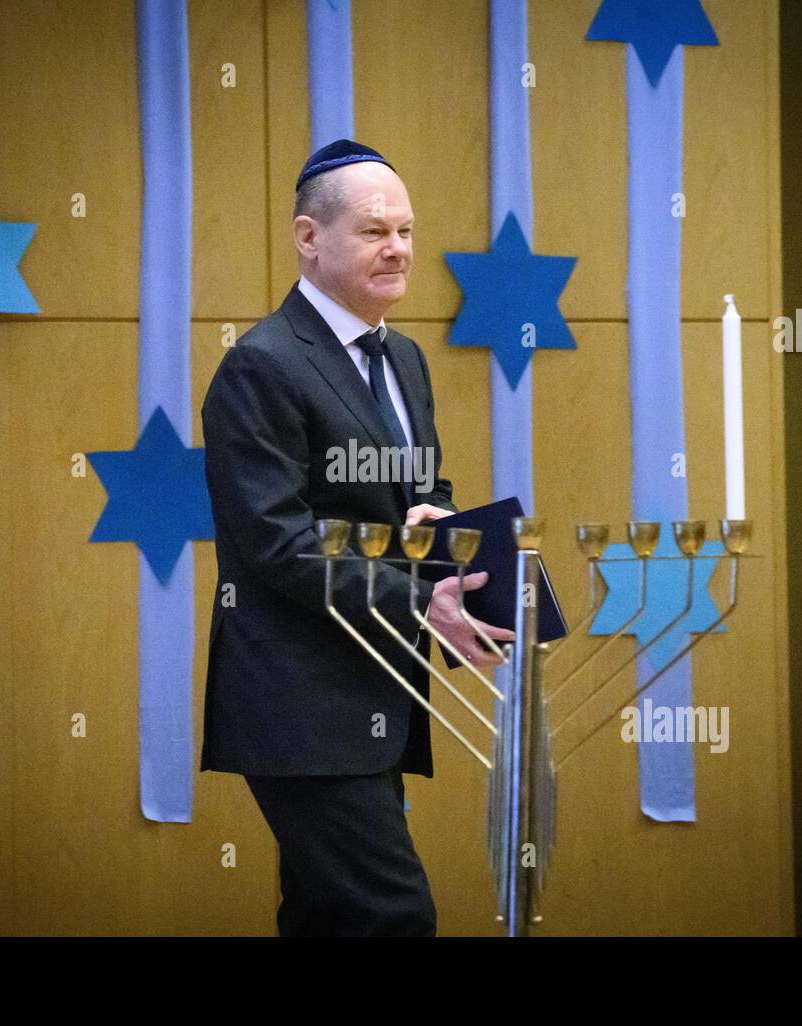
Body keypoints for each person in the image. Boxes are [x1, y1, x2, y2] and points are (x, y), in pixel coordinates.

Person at [199, 139, 515, 936]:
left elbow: (421, 489)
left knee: (327, 919)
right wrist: (419, 602)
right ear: (309, 238)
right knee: (391, 917)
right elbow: (279, 545)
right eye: (376, 232)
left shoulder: (403, 357)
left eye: (407, 231)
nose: (400, 249)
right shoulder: (261, 366)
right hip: (301, 704)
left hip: (376, 693)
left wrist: (433, 522)